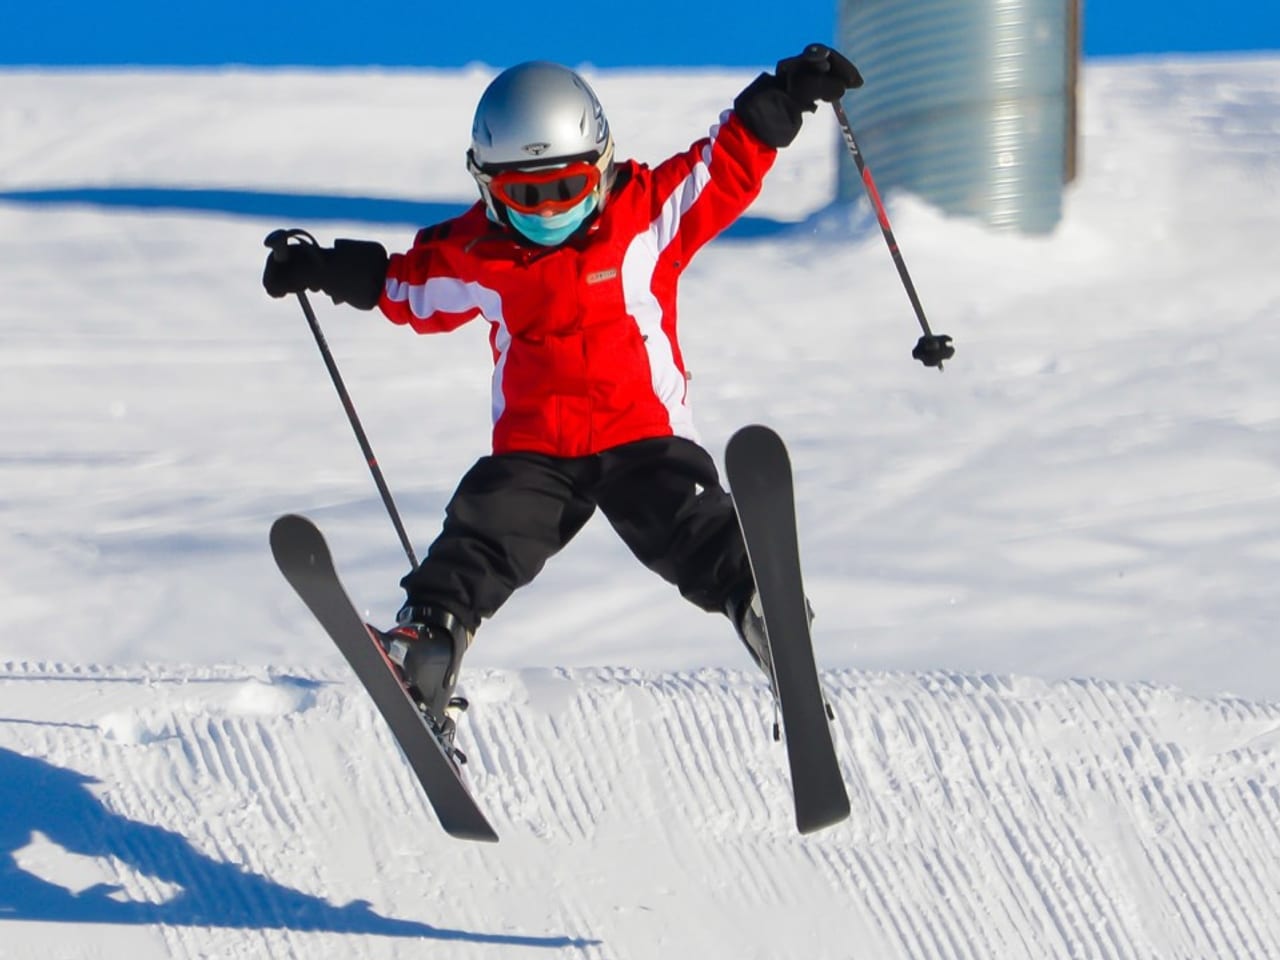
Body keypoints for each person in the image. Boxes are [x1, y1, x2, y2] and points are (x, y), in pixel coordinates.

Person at [262, 44, 863, 751]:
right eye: (525, 195)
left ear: (603, 167)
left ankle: (766, 613)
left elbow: (723, 165)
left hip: (643, 437)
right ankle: (428, 646)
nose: (548, 210)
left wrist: (786, 94)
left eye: (567, 188)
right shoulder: (479, 254)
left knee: (689, 521)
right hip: (537, 453)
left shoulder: (647, 215)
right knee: (483, 529)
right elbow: (406, 286)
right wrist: (325, 267)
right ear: (488, 187)